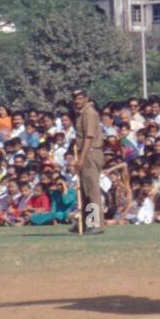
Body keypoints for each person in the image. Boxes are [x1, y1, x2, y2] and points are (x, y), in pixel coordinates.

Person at [70, 89, 105, 234]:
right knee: (84, 190)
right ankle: (85, 223)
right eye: (75, 98)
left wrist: (82, 158)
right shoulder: (80, 114)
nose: (77, 101)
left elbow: (89, 137)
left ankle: (96, 224)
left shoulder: (89, 113)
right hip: (84, 152)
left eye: (79, 98)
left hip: (90, 152)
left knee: (92, 189)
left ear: (86, 98)